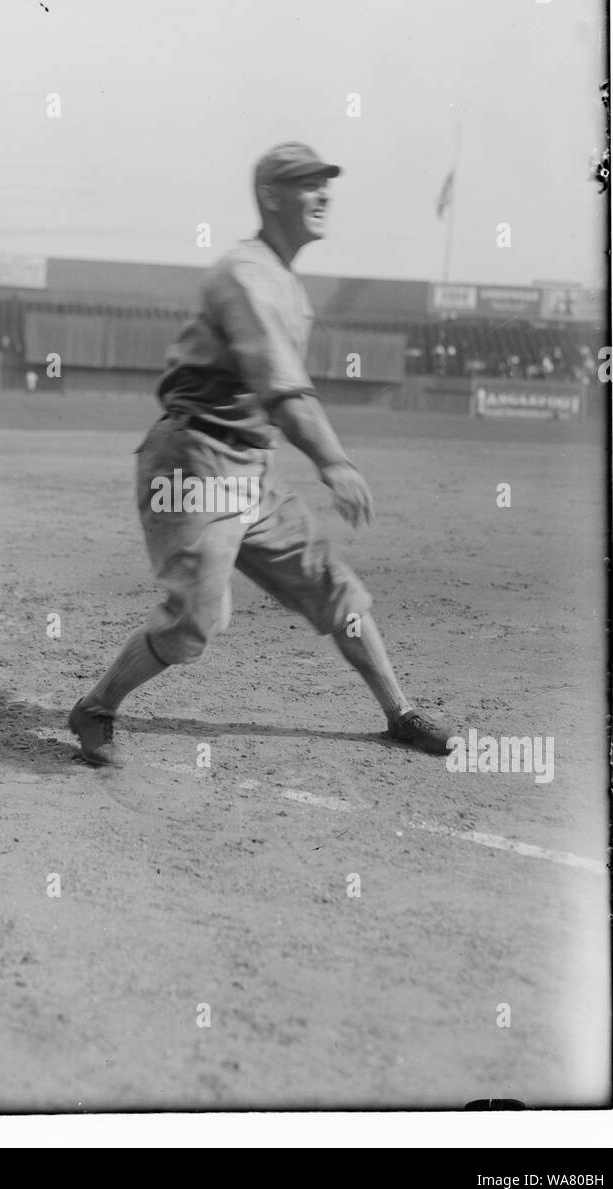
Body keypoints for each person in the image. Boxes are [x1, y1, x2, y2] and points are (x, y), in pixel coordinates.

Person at [69, 142, 456, 767]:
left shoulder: (286, 282)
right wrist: (334, 461)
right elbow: (285, 394)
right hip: (194, 464)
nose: (324, 193)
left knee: (336, 589)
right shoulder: (245, 274)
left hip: (248, 469)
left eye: (327, 182)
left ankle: (400, 714)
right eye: (308, 184)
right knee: (199, 621)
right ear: (272, 197)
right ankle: (96, 707)